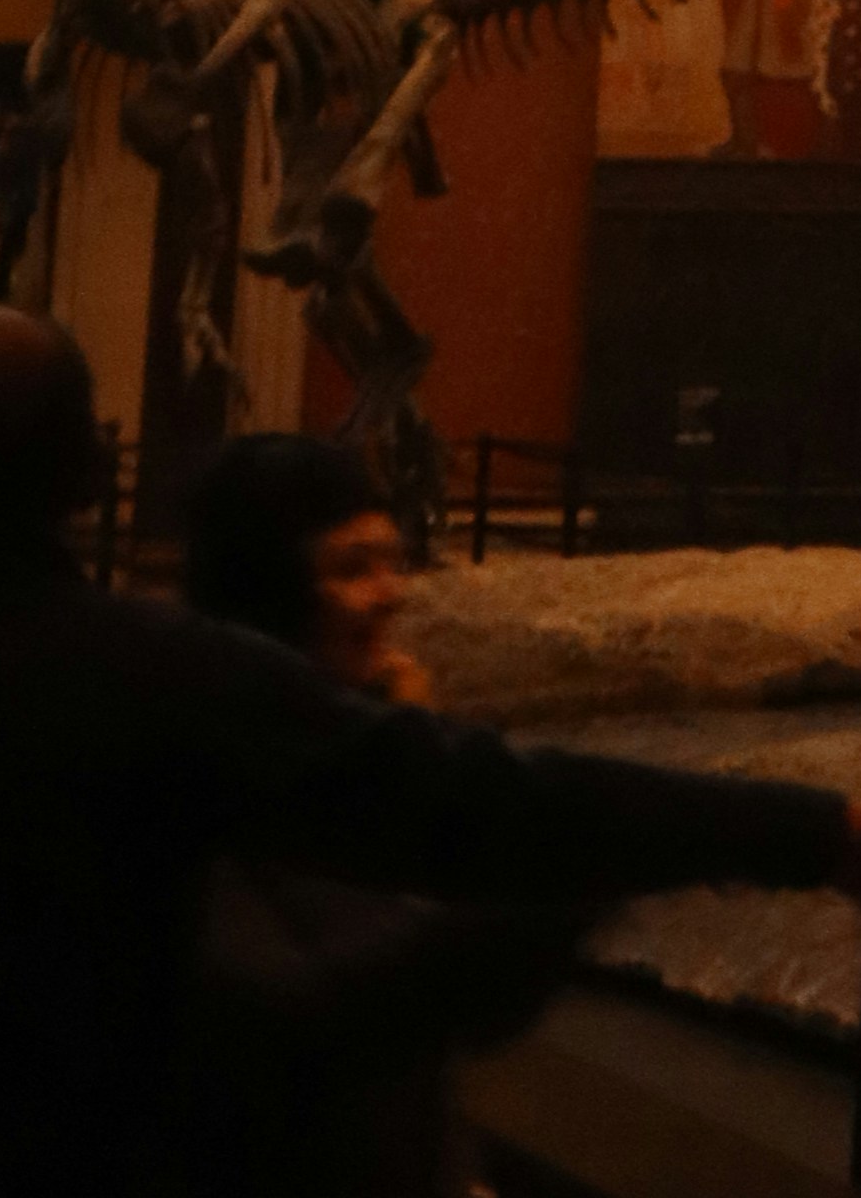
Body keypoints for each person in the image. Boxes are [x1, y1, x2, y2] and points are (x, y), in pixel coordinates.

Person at [0, 309, 861, 1198]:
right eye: (351, 564)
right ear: (85, 475)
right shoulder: (160, 681)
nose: (385, 594)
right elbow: (478, 813)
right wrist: (809, 830)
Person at [170, 430, 581, 1198]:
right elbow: (322, 1015)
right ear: (269, 588)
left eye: (392, 560)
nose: (391, 591)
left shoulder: (348, 749)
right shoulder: (218, 779)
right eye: (352, 567)